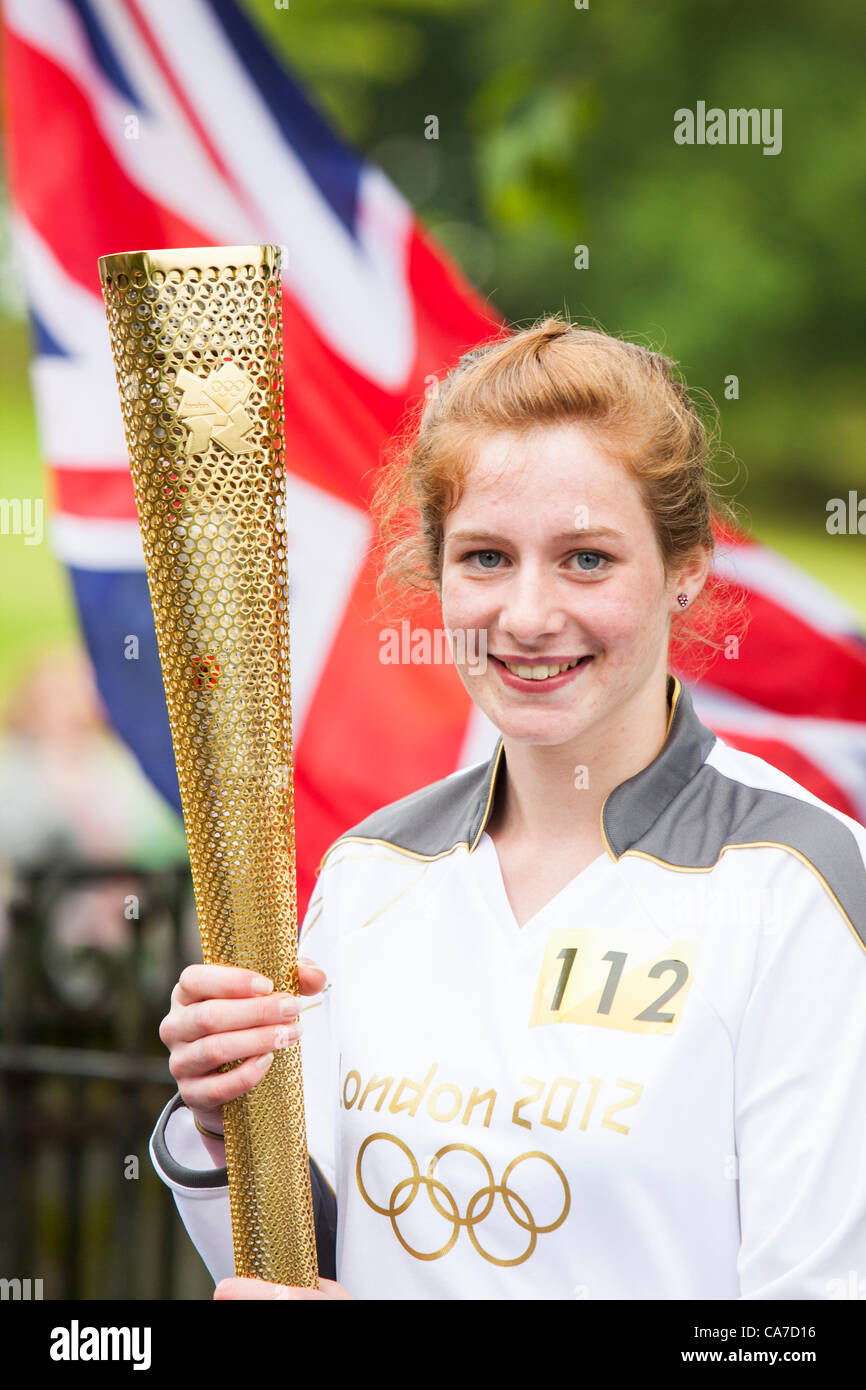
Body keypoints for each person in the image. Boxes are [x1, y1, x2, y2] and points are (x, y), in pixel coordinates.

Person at [151, 316, 866, 1300]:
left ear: (686, 567)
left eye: (585, 559)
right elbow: (310, 1255)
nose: (527, 616)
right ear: (435, 570)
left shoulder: (801, 884)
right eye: (485, 557)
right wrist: (221, 1125)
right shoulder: (369, 872)